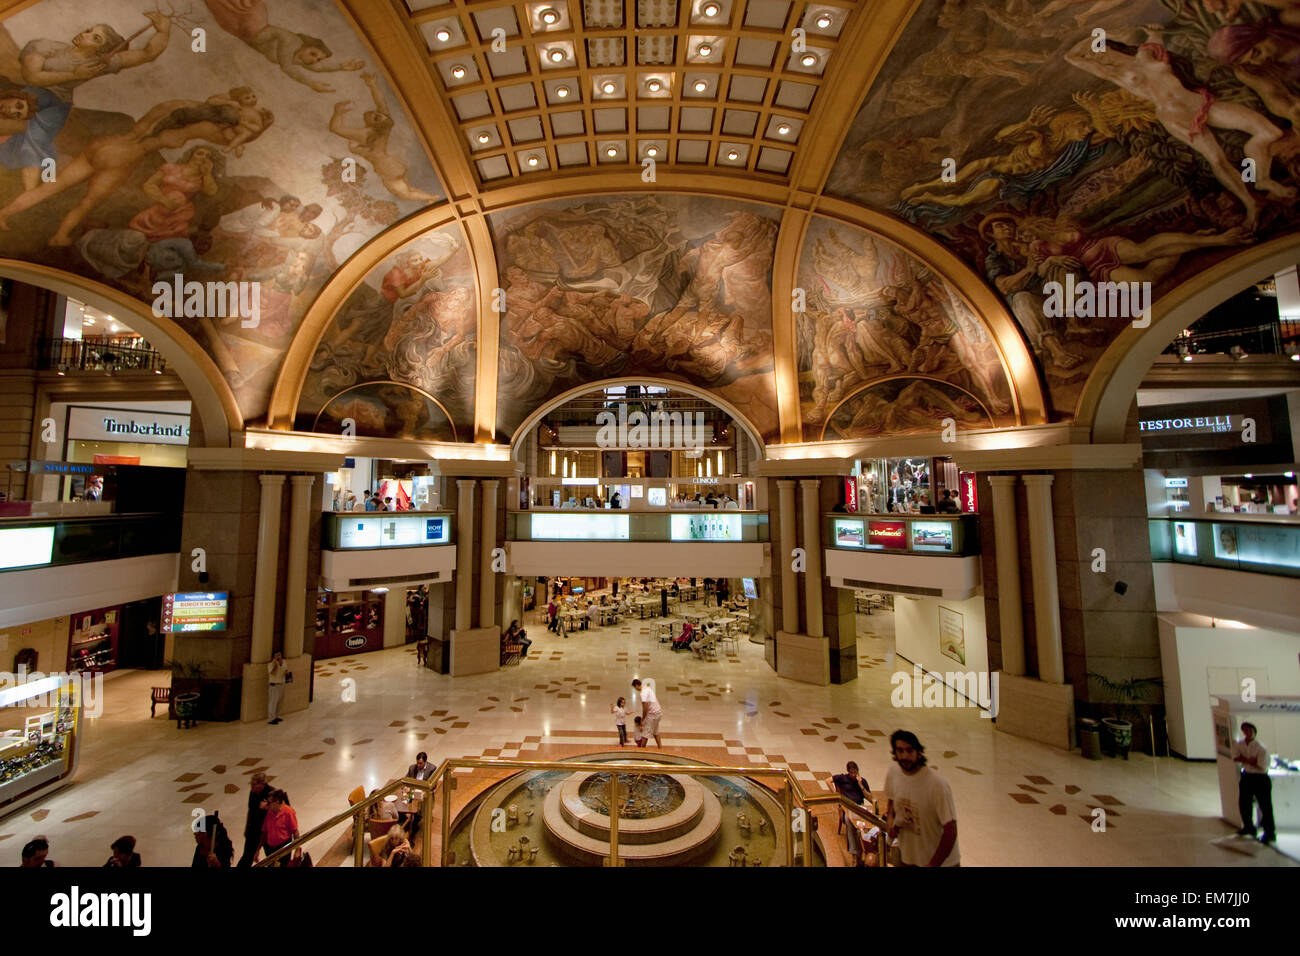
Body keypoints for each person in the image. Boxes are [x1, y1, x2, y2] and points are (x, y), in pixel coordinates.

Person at [885, 730, 960, 867]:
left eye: (909, 750)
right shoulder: (893, 773)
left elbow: (950, 831)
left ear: (919, 752)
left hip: (942, 864)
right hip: (909, 859)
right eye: (900, 751)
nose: (905, 756)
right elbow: (891, 804)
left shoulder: (937, 785)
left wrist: (933, 864)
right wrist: (890, 821)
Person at [1234, 722, 1276, 843]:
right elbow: (1235, 757)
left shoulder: (1261, 747)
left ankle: (1269, 832)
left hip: (1260, 778)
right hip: (1247, 776)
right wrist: (1250, 760)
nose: (1247, 733)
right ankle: (1249, 827)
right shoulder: (1240, 744)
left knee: (1265, 806)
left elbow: (1261, 766)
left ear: (1254, 732)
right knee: (1244, 803)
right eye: (1245, 730)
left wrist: (1245, 759)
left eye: (1250, 731)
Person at [236, 772, 273, 867]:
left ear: (262, 784)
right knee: (247, 856)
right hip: (253, 830)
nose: (251, 787)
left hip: (267, 831)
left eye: (254, 784)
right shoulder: (252, 793)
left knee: (272, 856)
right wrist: (246, 828)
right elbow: (250, 811)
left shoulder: (272, 794)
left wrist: (269, 806)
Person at [260, 789, 299, 863]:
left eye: (269, 803)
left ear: (277, 802)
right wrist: (257, 850)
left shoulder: (288, 812)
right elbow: (264, 831)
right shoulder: (269, 812)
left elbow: (295, 832)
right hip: (270, 849)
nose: (267, 805)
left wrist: (297, 850)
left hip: (283, 848)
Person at [631, 678, 663, 748]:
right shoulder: (647, 688)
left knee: (645, 734)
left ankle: (642, 752)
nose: (635, 689)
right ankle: (660, 748)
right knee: (656, 731)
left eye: (634, 687)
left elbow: (645, 708)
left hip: (652, 714)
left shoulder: (643, 693)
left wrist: (643, 719)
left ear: (636, 685)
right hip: (658, 712)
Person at [267, 651, 287, 725]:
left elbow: (284, 669)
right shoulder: (270, 664)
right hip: (274, 685)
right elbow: (272, 672)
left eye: (279, 655)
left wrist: (280, 662)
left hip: (281, 683)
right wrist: (275, 663)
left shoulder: (284, 662)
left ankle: (277, 716)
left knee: (279, 701)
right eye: (276, 656)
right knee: (273, 702)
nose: (278, 657)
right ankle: (271, 718)